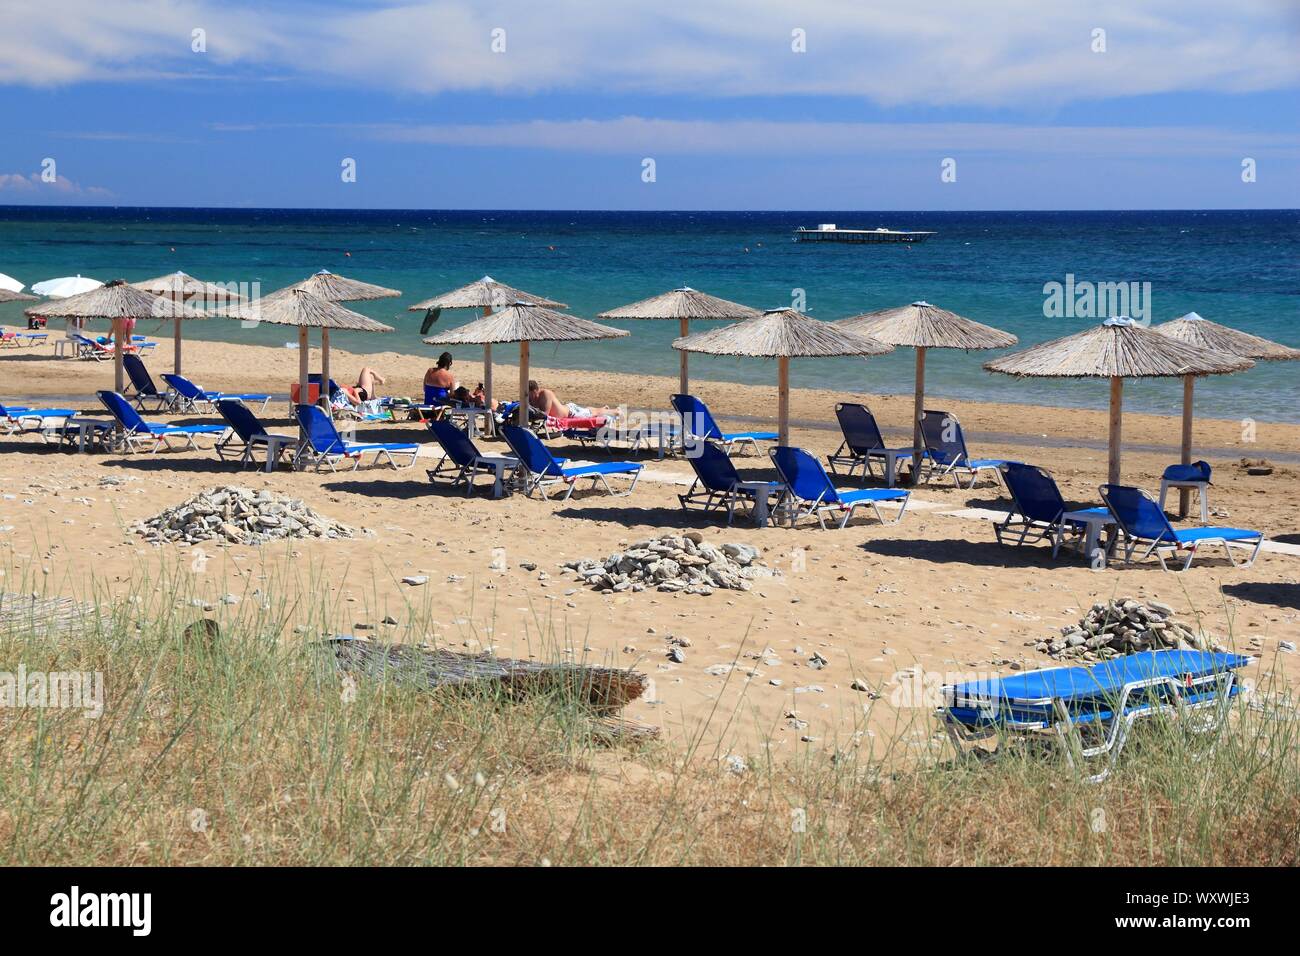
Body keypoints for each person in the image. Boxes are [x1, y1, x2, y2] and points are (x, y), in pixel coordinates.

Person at [527, 380, 619, 420]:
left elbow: (545, 414)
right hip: (569, 409)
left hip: (571, 413)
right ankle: (603, 408)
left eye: (530, 394)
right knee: (588, 411)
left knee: (593, 413)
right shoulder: (531, 397)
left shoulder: (545, 394)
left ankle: (616, 411)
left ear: (535, 390)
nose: (530, 397)